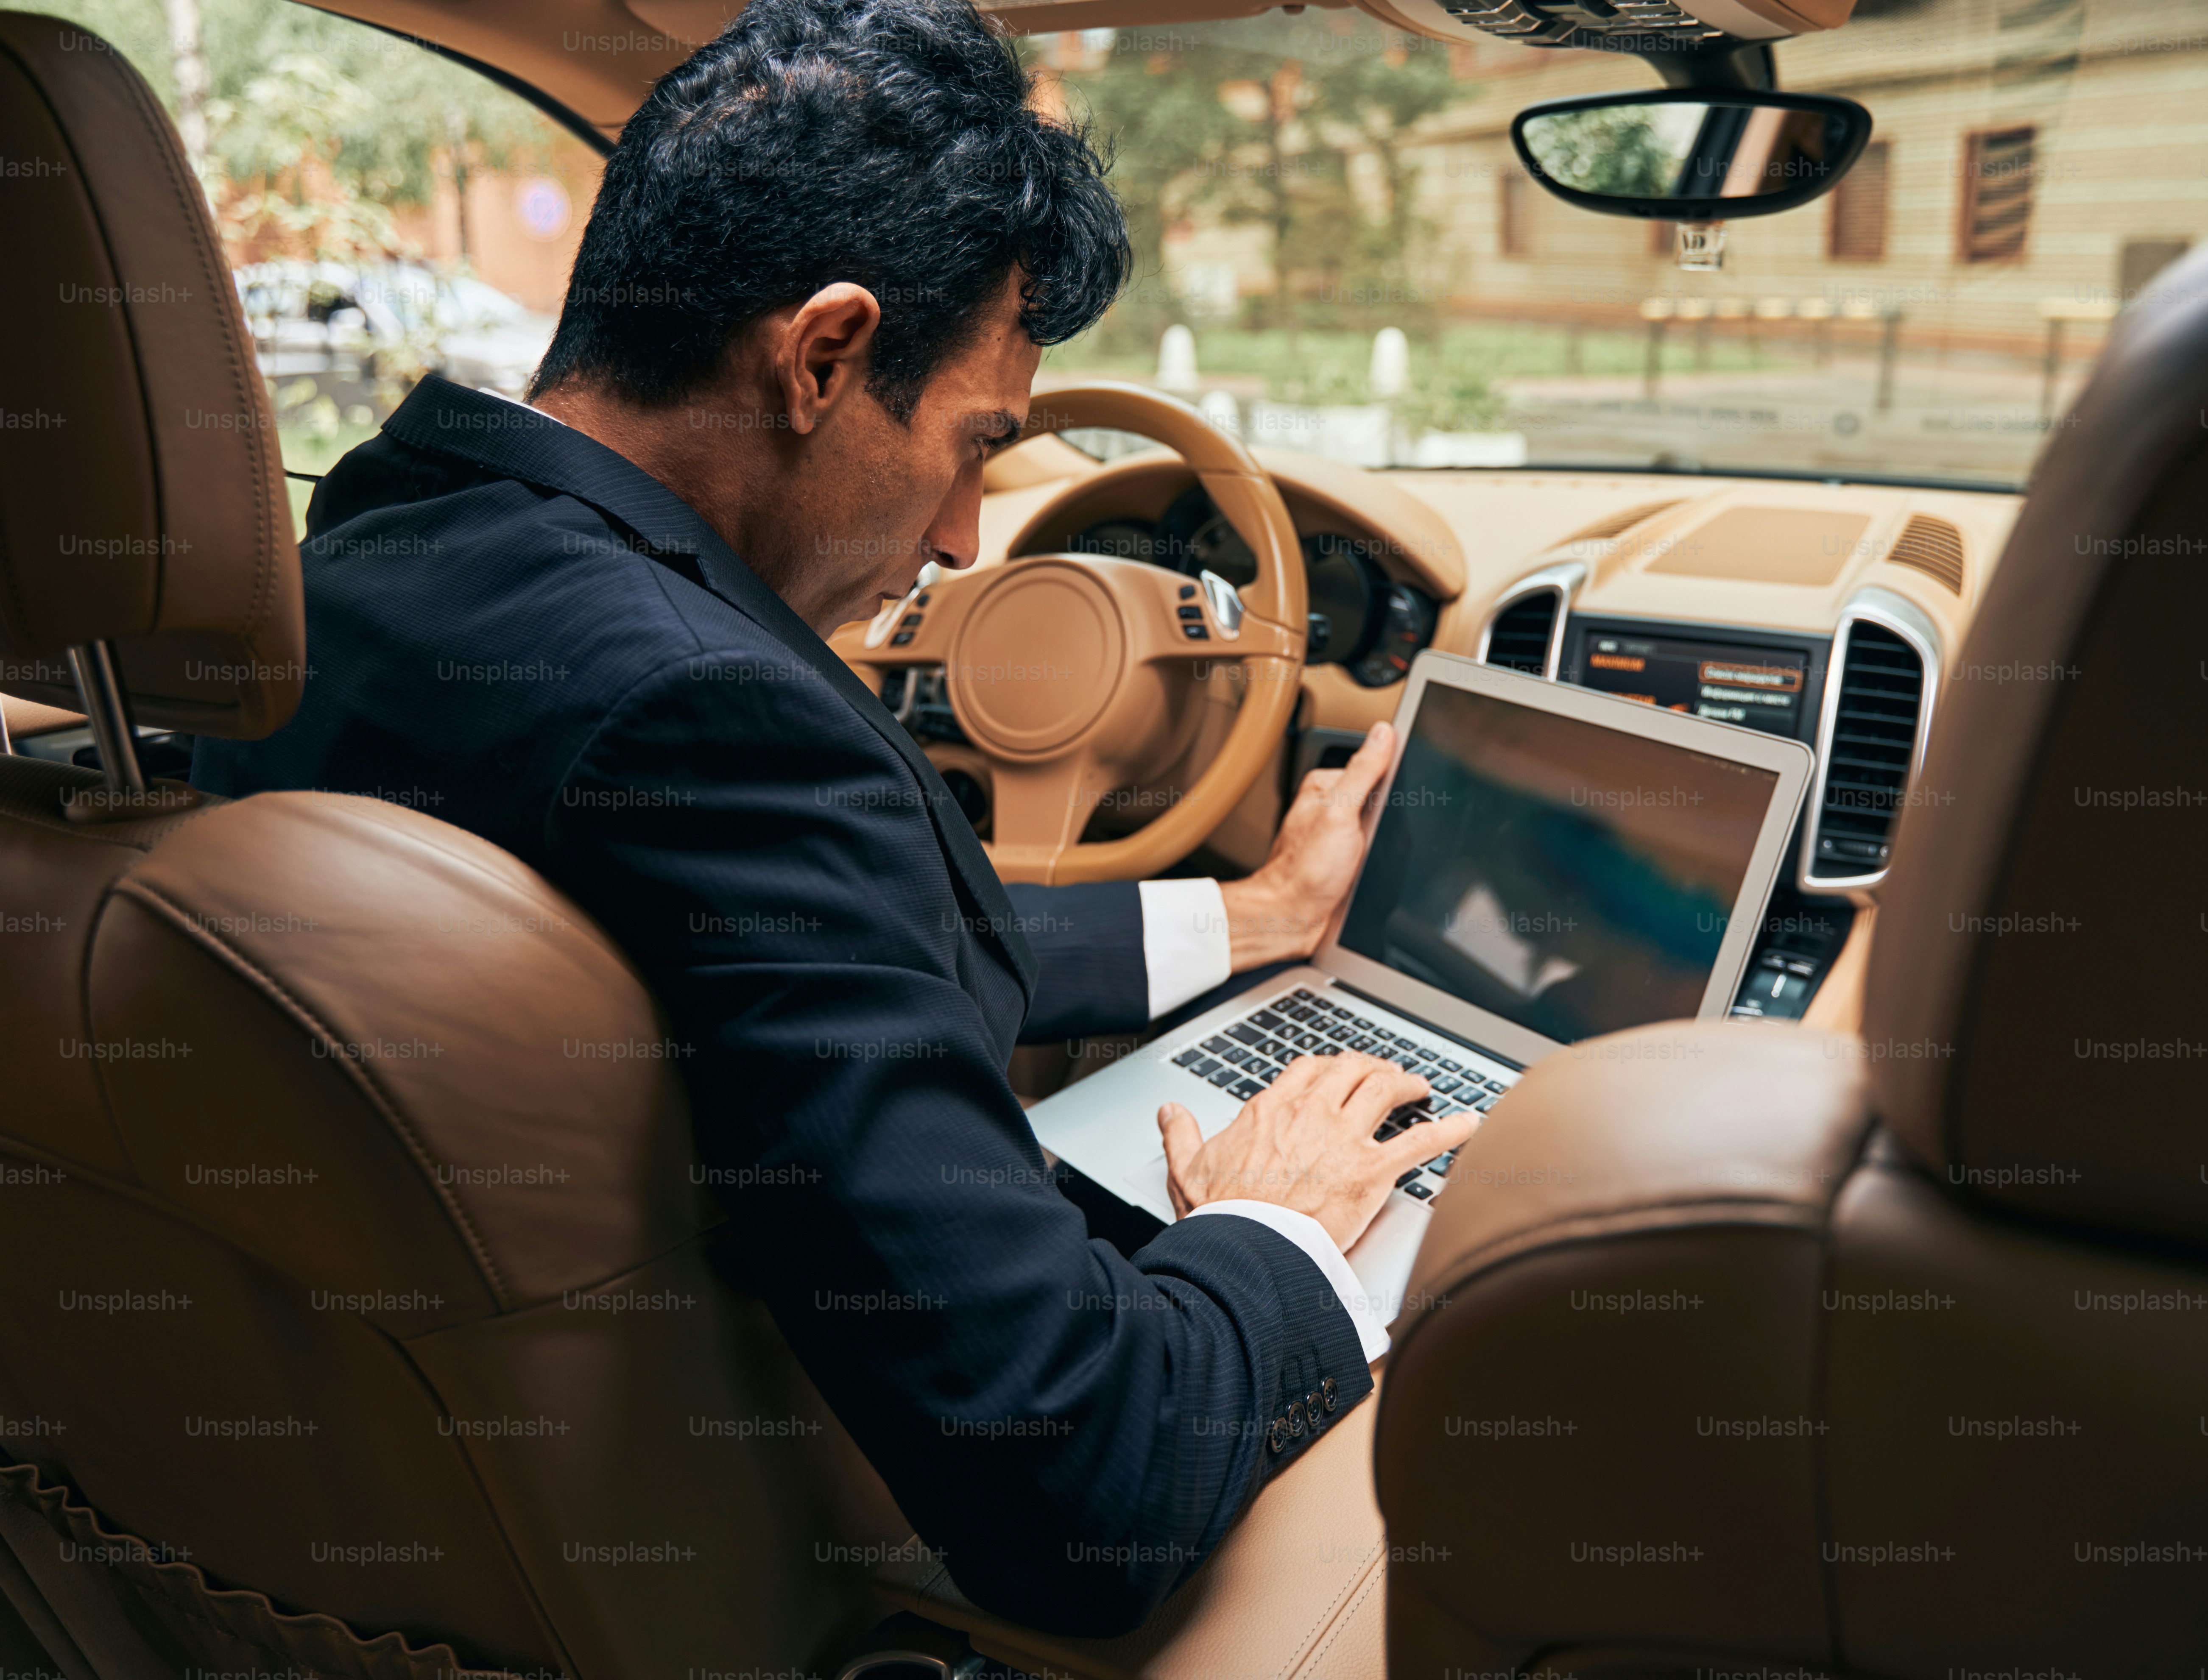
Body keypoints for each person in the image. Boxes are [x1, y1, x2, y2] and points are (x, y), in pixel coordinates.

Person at [191, 0, 1475, 1636]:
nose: (960, 540)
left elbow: (773, 944)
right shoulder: (721, 720)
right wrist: (1273, 1217)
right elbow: (1082, 1483)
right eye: (973, 449)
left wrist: (1255, 917)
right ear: (820, 355)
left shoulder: (359, 574)